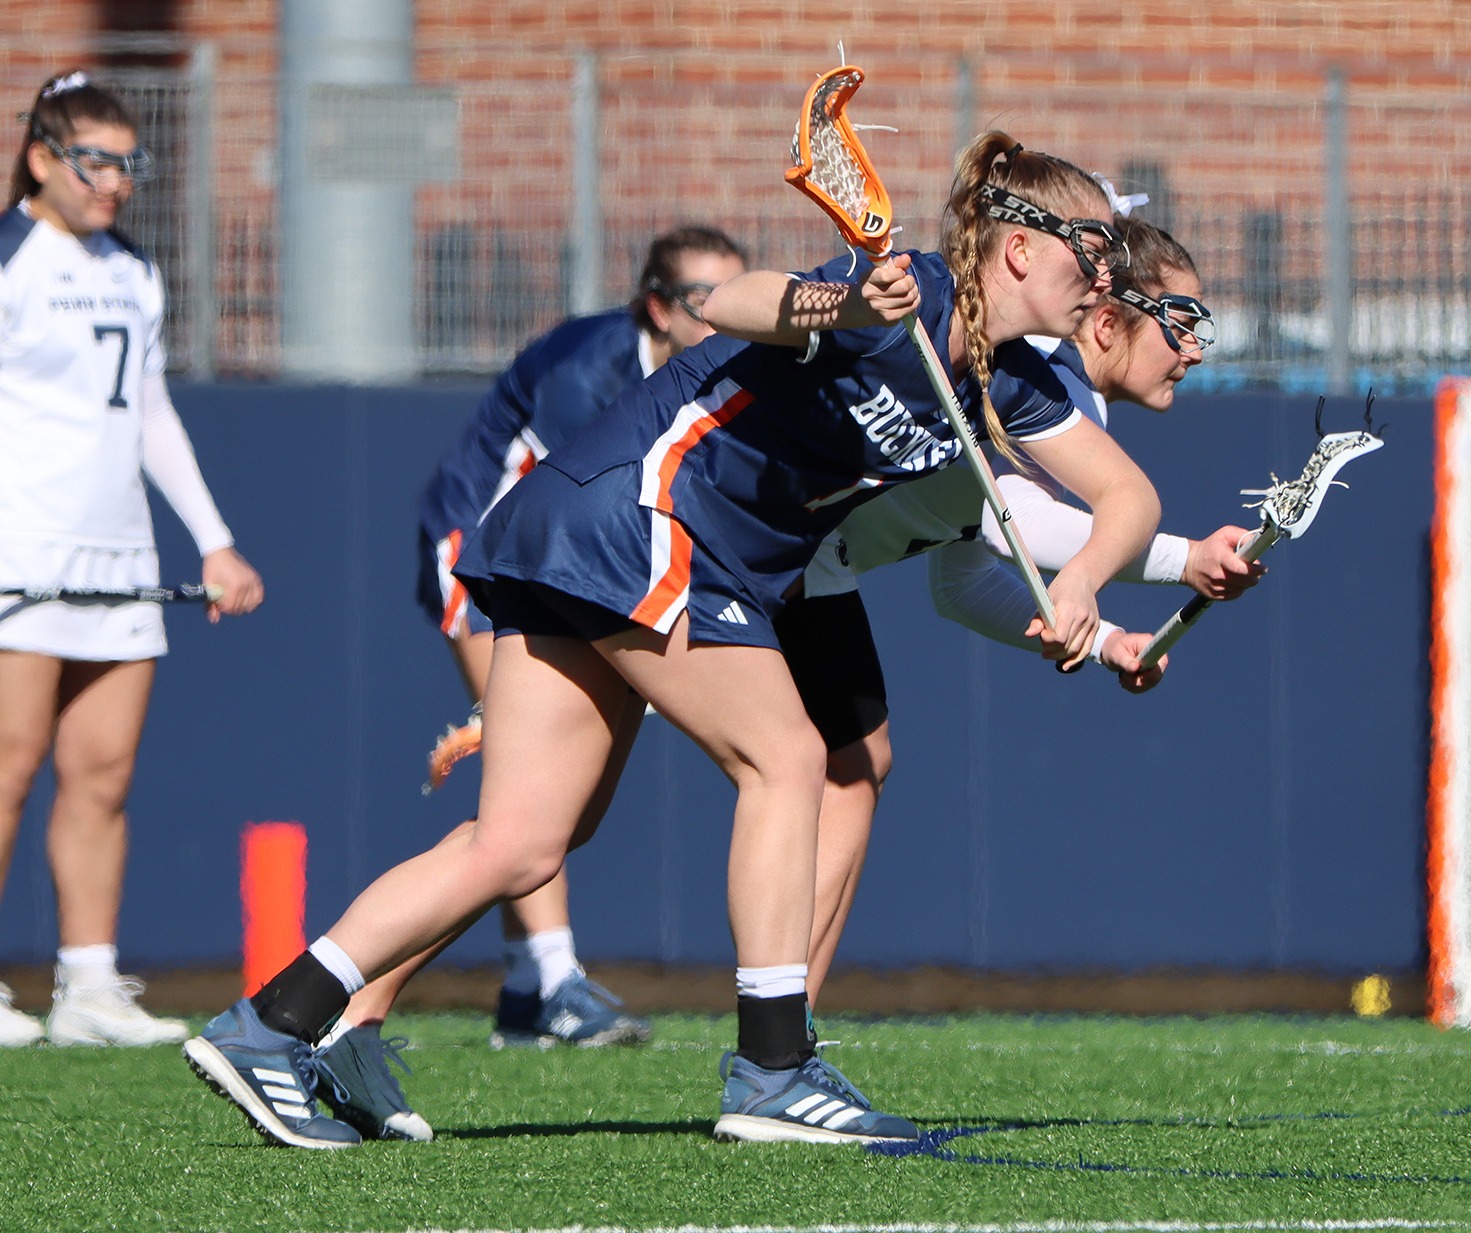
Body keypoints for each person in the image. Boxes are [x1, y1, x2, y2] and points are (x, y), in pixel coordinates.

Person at [182, 131, 1159, 1148]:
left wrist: (1083, 581)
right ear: (1017, 250)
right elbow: (729, 302)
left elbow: (1127, 496)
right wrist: (841, 306)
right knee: (787, 758)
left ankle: (272, 1024)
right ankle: (774, 1069)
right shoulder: (908, 290)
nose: (1107, 278)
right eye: (1092, 250)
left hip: (607, 530)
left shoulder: (1006, 381)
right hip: (644, 516)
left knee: (521, 844)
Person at [286, 226, 750, 1143]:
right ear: (659, 308)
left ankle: (511, 986)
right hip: (493, 553)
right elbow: (567, 513)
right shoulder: (588, 373)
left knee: (552, 819)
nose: (728, 315)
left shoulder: (704, 370)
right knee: (527, 815)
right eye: (708, 300)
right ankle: (540, 978)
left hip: (568, 565)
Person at [783, 217, 1258, 1002]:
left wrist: (1104, 640)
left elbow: (962, 580)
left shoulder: (1059, 391)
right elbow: (1012, 517)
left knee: (854, 766)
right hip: (771, 545)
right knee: (806, 767)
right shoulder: (1047, 386)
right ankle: (774, 1030)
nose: (1195, 350)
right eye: (1181, 322)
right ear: (1108, 323)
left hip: (814, 567)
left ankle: (784, 1028)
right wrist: (1186, 559)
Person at [0, 71, 262, 1049]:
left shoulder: (133, 268)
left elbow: (150, 412)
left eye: (127, 164)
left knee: (102, 774)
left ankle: (89, 987)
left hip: (118, 552)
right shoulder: (10, 258)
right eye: (94, 162)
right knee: (8, 766)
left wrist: (214, 539)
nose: (114, 182)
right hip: (20, 550)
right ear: (41, 158)